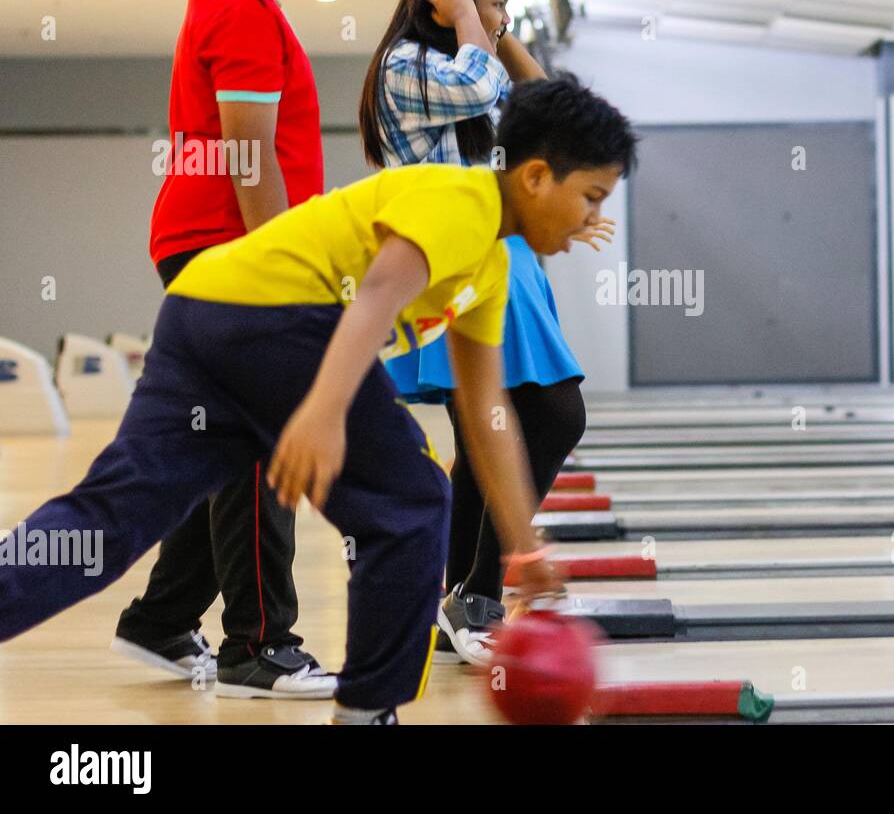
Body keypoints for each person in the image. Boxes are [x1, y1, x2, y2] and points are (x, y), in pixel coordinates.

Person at [0, 77, 638, 725]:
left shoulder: (490, 268)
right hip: (274, 318)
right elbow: (380, 292)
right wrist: (326, 409)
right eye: (590, 197)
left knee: (106, 522)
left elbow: (485, 411)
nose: (593, 220)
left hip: (202, 308)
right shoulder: (463, 200)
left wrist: (523, 550)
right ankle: (367, 712)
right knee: (412, 501)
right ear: (534, 177)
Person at [112, 0, 335, 698]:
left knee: (233, 440)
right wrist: (281, 273)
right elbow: (250, 157)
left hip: (209, 243)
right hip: (226, 245)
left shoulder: (238, 2)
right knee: (259, 449)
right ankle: (258, 646)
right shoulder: (238, 8)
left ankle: (162, 623)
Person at [359, 0, 613, 665]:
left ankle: (466, 600)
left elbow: (553, 111)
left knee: (485, 433)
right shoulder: (408, 66)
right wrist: (474, 20)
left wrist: (496, 26)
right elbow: (474, 88)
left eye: (502, 8)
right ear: (447, 2)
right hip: (453, 256)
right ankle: (475, 592)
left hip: (503, 257)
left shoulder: (477, 54)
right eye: (494, 2)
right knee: (556, 411)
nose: (500, 21)